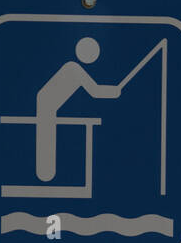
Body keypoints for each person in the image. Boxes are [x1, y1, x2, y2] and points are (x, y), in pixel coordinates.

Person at [33, 37, 120, 181]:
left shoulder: (73, 68)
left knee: (47, 130)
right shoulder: (73, 69)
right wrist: (114, 91)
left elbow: (94, 90)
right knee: (46, 135)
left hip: (50, 106)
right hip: (46, 105)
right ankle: (45, 174)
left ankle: (46, 175)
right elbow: (95, 91)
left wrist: (113, 91)